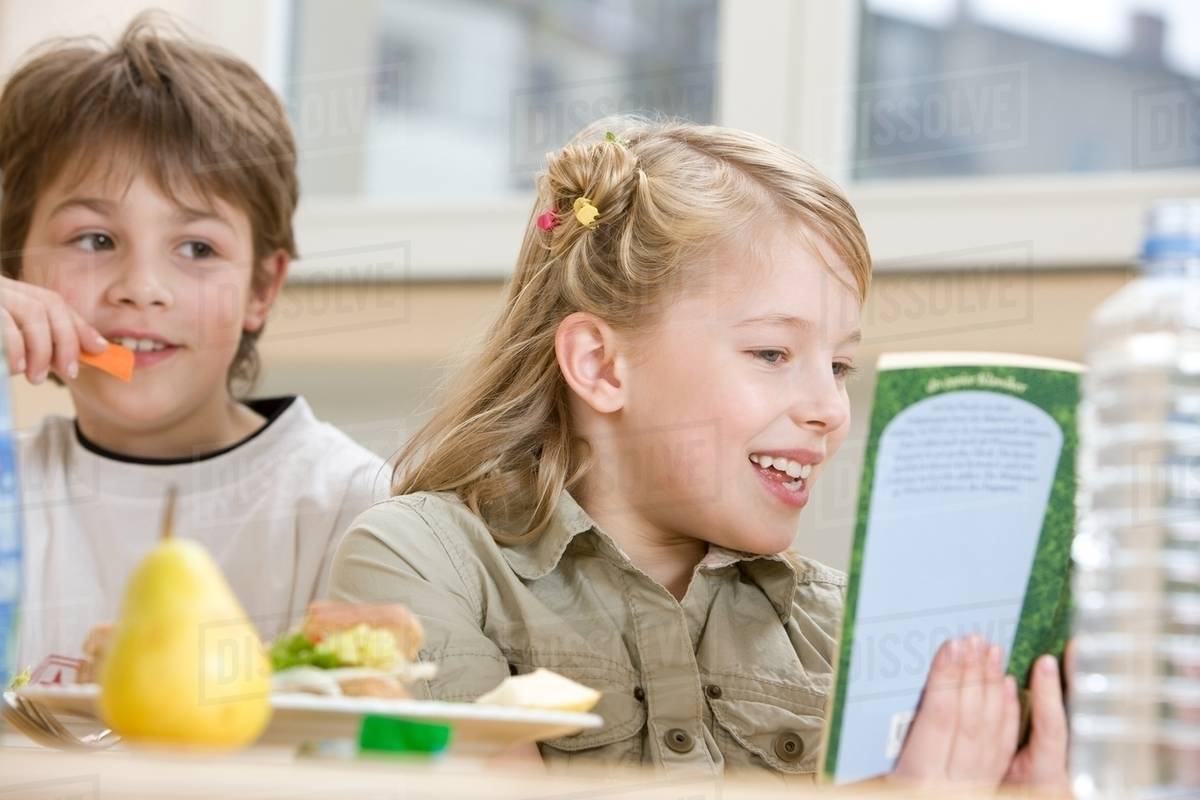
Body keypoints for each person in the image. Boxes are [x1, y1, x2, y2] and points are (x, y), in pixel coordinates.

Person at [328, 117, 1067, 788]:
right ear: (601, 366)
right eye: (773, 352)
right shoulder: (418, 564)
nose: (829, 410)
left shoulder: (842, 629)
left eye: (839, 366)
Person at [0, 14, 387, 669]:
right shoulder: (13, 489)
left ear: (262, 289)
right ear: (15, 271)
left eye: (197, 248)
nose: (142, 288)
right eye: (95, 240)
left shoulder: (354, 506)